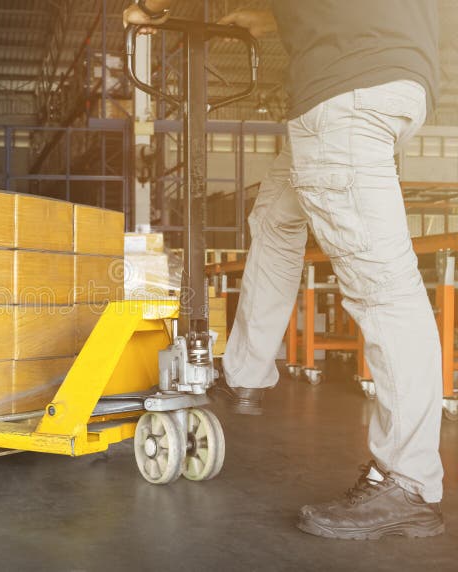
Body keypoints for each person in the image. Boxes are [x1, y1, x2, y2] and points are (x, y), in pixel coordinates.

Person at [123, 0, 444, 540]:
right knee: (275, 216)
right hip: (393, 81)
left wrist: (149, 10)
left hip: (348, 92)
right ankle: (246, 375)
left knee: (386, 293)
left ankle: (408, 480)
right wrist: (270, 19)